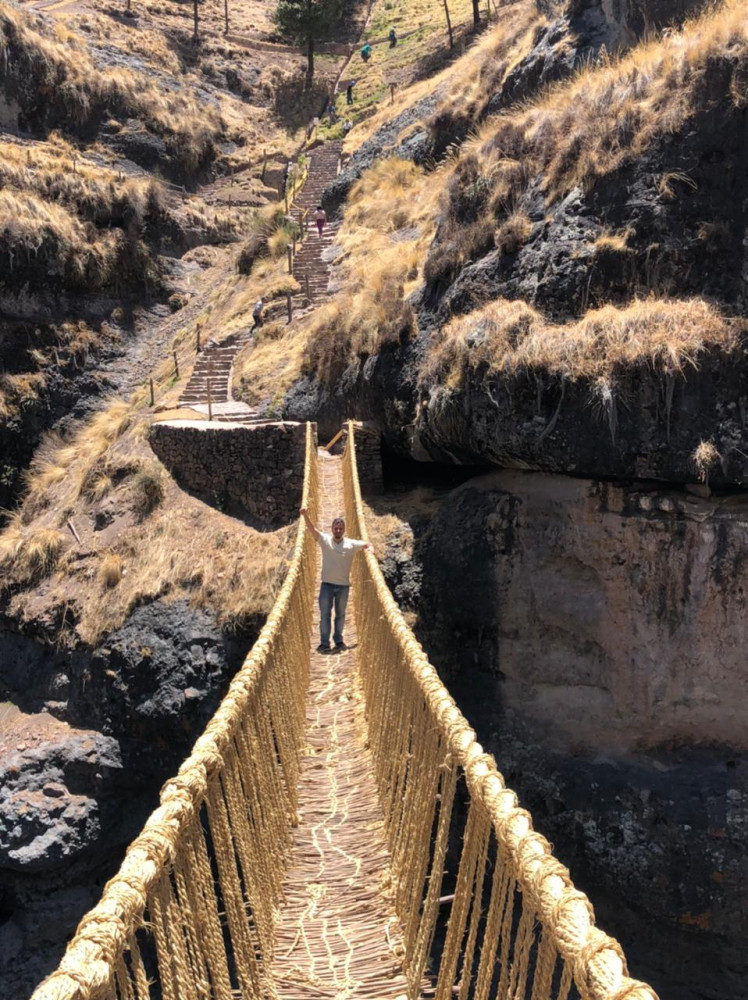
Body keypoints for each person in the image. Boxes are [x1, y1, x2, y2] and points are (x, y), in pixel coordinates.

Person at [300, 508, 371, 652]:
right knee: (325, 615)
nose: (338, 530)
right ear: (332, 529)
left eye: (340, 528)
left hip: (343, 586)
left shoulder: (351, 544)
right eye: (336, 527)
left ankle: (338, 640)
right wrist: (305, 516)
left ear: (344, 530)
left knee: (340, 615)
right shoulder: (325, 540)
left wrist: (371, 549)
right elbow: (312, 530)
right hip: (326, 585)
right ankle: (324, 643)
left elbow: (367, 544)